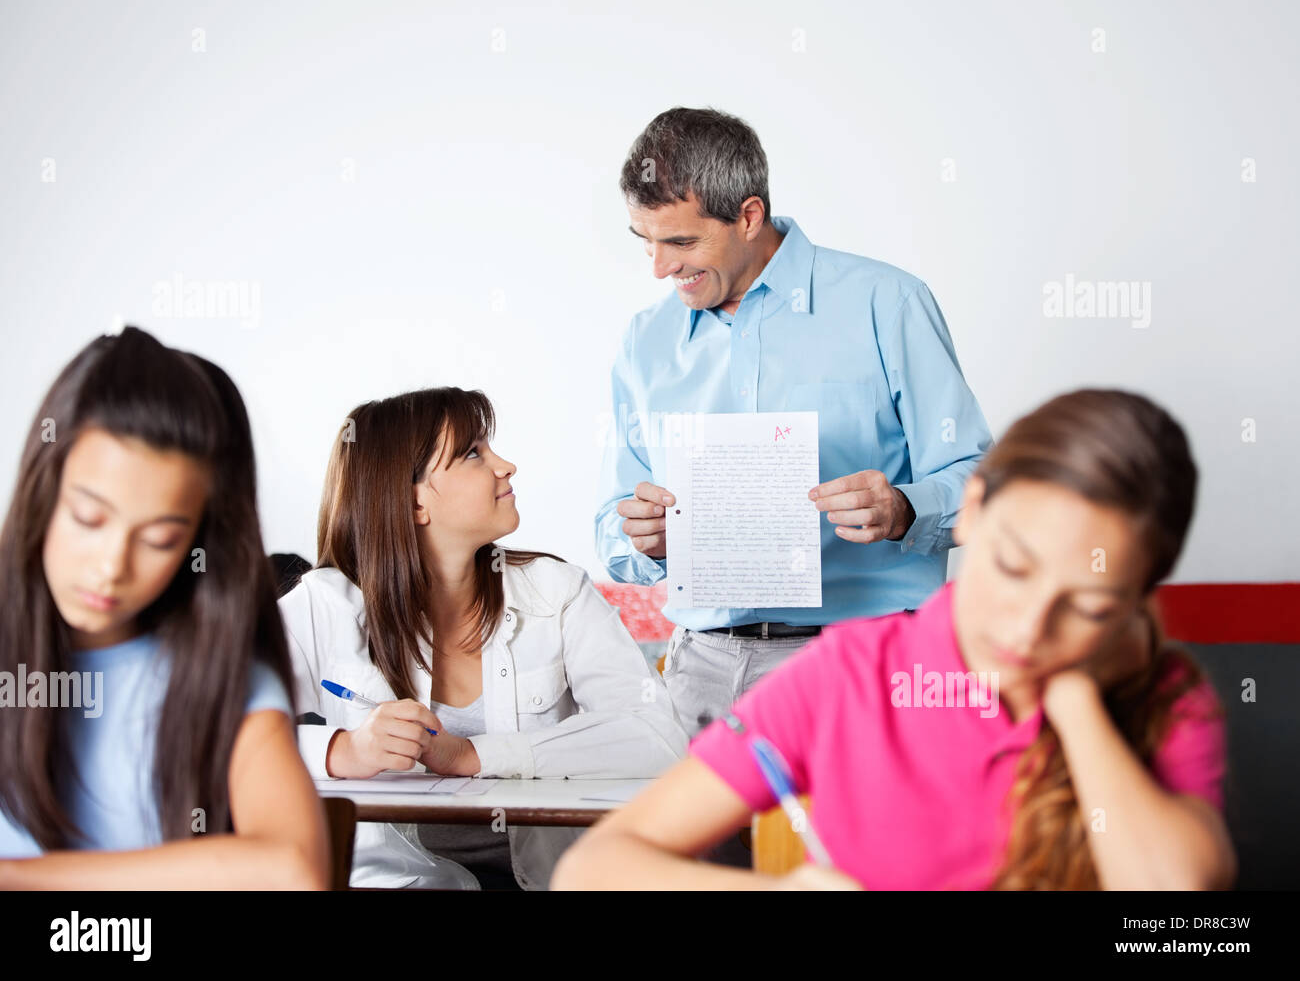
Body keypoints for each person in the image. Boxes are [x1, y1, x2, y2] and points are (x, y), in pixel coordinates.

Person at [556, 389, 1236, 890]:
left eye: (1086, 606)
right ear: (972, 510)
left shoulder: (1163, 694)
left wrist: (1076, 696)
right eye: (1012, 568)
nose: (1030, 629)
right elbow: (594, 870)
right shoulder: (851, 673)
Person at [596, 106, 993, 752]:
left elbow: (982, 484)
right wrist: (640, 537)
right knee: (696, 857)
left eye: (682, 243)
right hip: (702, 674)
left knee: (856, 858)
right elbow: (612, 523)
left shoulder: (887, 304)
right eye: (645, 240)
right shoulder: (647, 340)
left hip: (865, 659)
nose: (659, 269)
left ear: (749, 216)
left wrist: (904, 507)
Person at [281, 386, 688, 890]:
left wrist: (472, 756)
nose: (506, 465)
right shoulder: (327, 605)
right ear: (413, 503)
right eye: (473, 453)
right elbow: (195, 728)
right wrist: (342, 750)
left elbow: (658, 737)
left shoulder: (556, 592)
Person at [0, 327, 330, 889]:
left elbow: (292, 872)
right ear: (43, 492)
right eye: (88, 519)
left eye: (158, 539)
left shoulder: (224, 681)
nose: (111, 566)